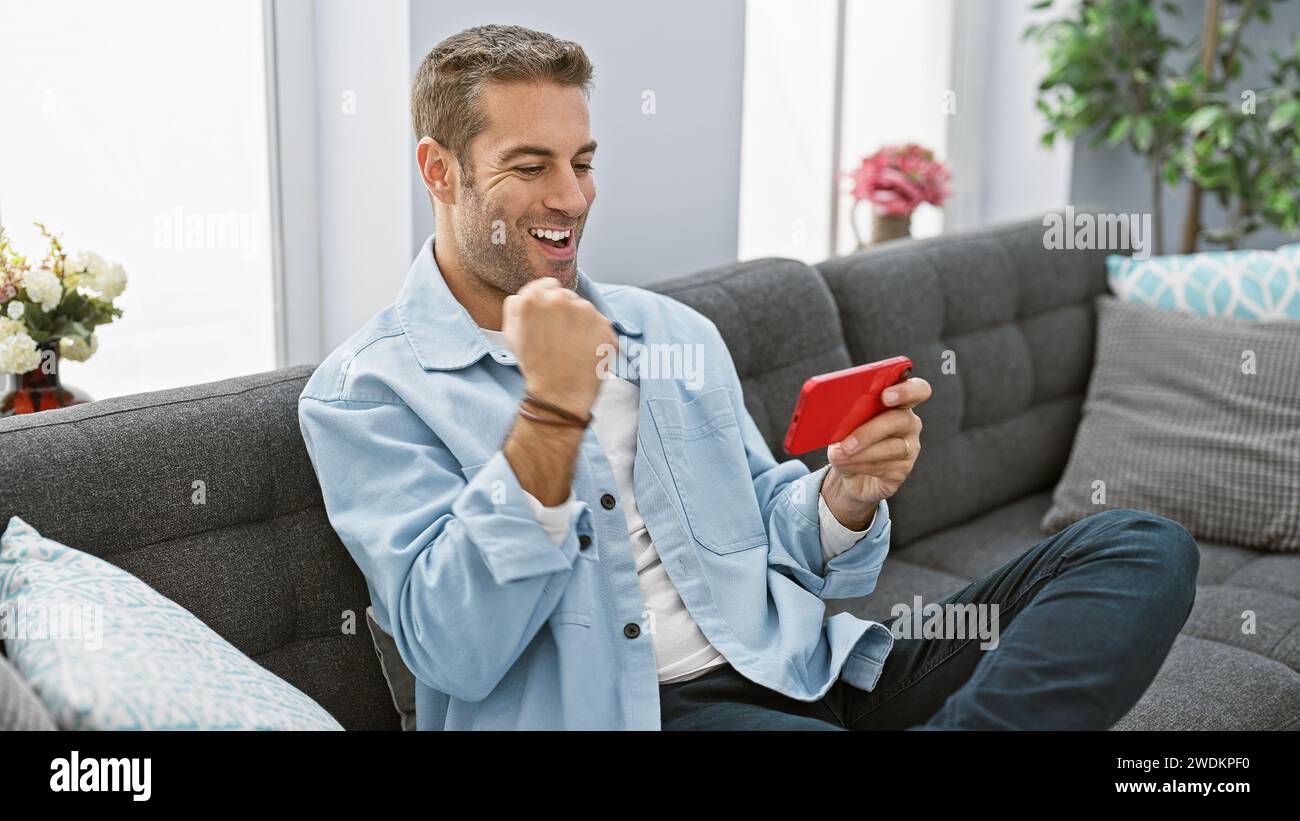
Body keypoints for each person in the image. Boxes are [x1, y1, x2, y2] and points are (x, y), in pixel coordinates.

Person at [297, 24, 1198, 731]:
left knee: (1138, 549)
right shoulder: (368, 395)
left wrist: (844, 495)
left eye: (582, 161)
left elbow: (768, 528)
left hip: (815, 667)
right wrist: (552, 409)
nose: (570, 197)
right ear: (439, 170)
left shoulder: (668, 332)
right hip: (649, 710)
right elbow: (453, 648)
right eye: (529, 167)